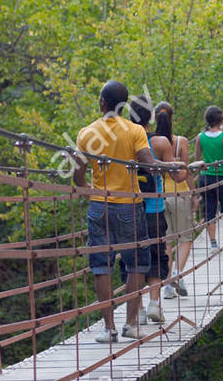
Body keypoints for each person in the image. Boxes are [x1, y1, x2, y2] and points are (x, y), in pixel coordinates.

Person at [72, 80, 182, 343]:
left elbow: (77, 175)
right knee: (136, 264)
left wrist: (90, 189)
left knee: (101, 266)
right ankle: (131, 324)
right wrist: (175, 165)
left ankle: (108, 329)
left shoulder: (87, 133)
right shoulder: (134, 131)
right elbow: (151, 164)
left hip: (99, 206)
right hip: (129, 207)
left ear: (102, 103)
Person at [130, 97, 181, 323]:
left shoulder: (125, 140)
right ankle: (154, 303)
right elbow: (176, 176)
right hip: (154, 208)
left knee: (132, 258)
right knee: (157, 255)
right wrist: (183, 166)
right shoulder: (161, 142)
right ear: (151, 117)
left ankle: (138, 311)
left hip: (130, 208)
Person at [156, 101, 195, 300]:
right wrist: (194, 194)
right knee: (186, 238)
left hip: (160, 197)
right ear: (172, 118)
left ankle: (168, 287)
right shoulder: (182, 142)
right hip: (180, 194)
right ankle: (177, 274)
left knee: (167, 241)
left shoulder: (151, 143)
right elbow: (186, 171)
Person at [194, 105, 223, 249]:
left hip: (206, 178)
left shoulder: (200, 137)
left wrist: (200, 173)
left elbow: (197, 159)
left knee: (209, 210)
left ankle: (213, 243)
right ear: (221, 120)